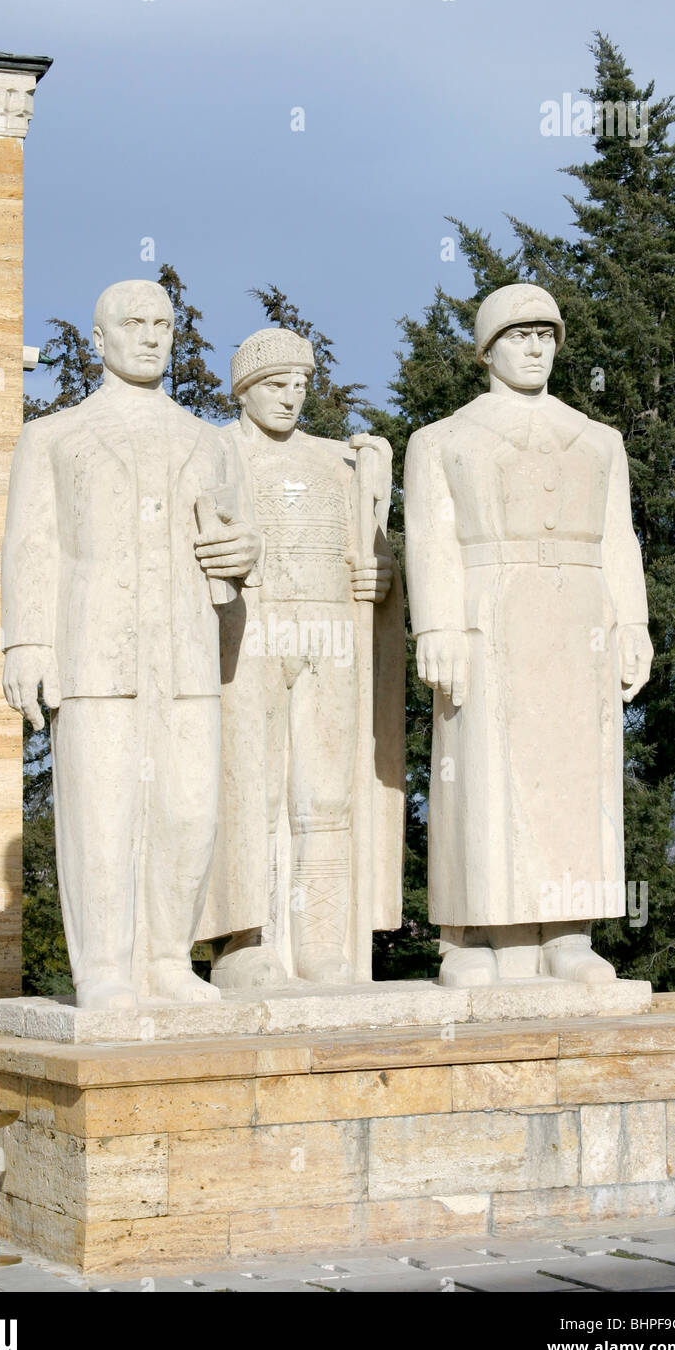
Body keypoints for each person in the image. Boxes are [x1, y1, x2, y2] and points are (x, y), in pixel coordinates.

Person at [1, 280, 262, 1009]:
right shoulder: (52, 437)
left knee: (186, 809)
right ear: (98, 340)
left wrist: (246, 554)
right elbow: (31, 544)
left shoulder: (209, 441)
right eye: (133, 323)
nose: (150, 335)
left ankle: (167, 959)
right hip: (95, 650)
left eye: (162, 323)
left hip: (186, 649)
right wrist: (26, 643)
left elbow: (238, 543)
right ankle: (107, 969)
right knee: (102, 811)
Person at [405, 283, 652, 988]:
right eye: (519, 335)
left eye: (546, 334)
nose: (536, 347)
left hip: (581, 615)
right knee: (482, 770)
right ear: (487, 350)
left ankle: (568, 930)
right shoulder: (442, 439)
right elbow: (430, 537)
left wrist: (632, 622)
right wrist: (439, 624)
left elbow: (617, 536)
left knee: (577, 771)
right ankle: (478, 932)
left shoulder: (599, 439)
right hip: (489, 609)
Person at [198, 328, 405, 988]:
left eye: (300, 385)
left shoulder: (337, 463)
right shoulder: (214, 453)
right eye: (274, 384)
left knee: (325, 797)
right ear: (244, 389)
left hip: (329, 636)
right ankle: (244, 943)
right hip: (251, 632)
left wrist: (381, 572)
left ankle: (321, 943)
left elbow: (370, 559)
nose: (290, 397)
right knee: (248, 792)